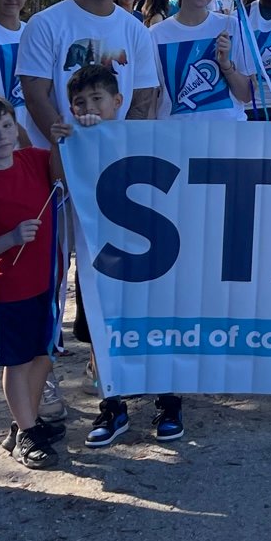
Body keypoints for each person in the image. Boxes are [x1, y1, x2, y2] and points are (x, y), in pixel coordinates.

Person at [61, 65, 186, 448]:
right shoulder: (73, 142)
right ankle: (112, 406)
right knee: (103, 329)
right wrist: (61, 144)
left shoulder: (149, 138)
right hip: (100, 258)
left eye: (97, 99)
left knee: (160, 323)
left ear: (118, 101)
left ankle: (169, 402)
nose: (89, 108)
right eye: (79, 102)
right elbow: (60, 185)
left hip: (152, 258)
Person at [0, 96, 65, 468]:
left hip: (49, 279)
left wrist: (62, 136)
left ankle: (25, 423)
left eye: (7, 126)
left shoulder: (33, 160)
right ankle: (28, 433)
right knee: (18, 360)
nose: (2, 136)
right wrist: (10, 238)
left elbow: (64, 165)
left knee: (44, 355)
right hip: (10, 288)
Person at [15, 0, 158, 150]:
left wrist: (120, 147)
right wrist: (73, 149)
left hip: (112, 158)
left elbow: (142, 99)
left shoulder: (136, 30)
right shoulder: (45, 23)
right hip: (55, 159)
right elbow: (36, 99)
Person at [147, 0, 252, 119]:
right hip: (175, 138)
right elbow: (150, 100)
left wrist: (226, 65)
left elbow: (247, 95)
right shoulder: (155, 35)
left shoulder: (232, 26)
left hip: (227, 138)